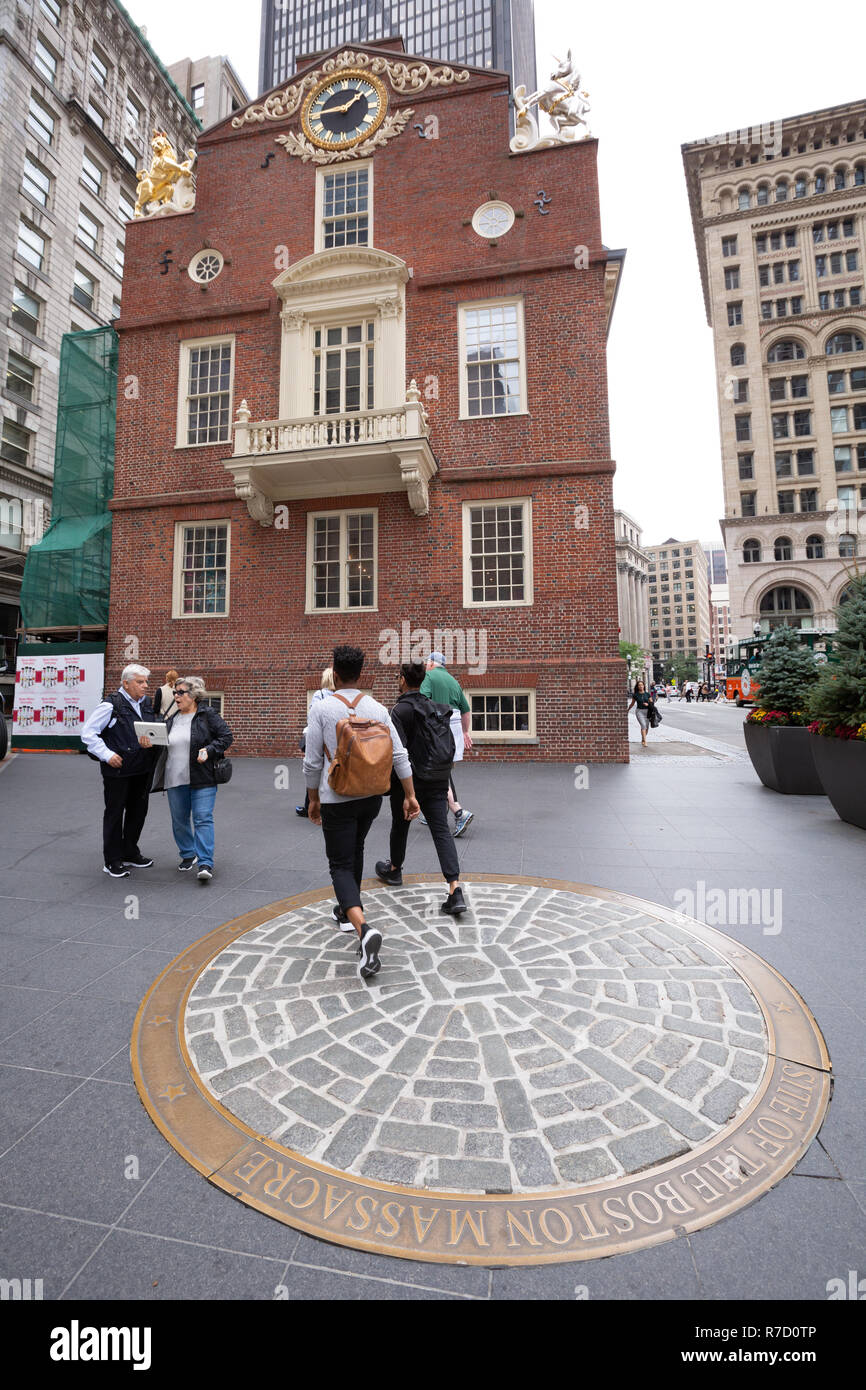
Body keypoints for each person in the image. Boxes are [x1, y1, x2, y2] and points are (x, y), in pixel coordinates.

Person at [304, 645, 420, 979]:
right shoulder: (378, 708)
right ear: (361, 674)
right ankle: (346, 911)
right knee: (355, 850)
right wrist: (409, 795)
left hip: (337, 796)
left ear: (335, 674)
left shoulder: (323, 709)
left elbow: (312, 761)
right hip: (372, 795)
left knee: (339, 864)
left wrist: (313, 798)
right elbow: (399, 755)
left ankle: (363, 928)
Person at [375, 661, 467, 916]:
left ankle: (394, 869)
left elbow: (398, 752)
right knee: (441, 831)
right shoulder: (434, 708)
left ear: (403, 680)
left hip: (410, 780)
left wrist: (408, 792)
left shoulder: (400, 710)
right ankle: (454, 889)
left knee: (400, 824)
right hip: (438, 779)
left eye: (398, 676)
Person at [149, 677, 233, 882]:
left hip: (202, 777)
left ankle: (205, 862)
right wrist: (148, 742)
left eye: (180, 692)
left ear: (193, 695)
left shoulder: (207, 715)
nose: (176, 696)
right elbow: (161, 746)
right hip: (174, 777)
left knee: (202, 818)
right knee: (179, 820)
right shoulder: (172, 719)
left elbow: (226, 737)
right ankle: (188, 854)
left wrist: (209, 750)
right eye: (175, 692)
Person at [81, 662, 157, 877]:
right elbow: (88, 733)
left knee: (137, 813)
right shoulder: (110, 705)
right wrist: (107, 755)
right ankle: (112, 860)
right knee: (115, 814)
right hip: (118, 771)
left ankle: (130, 852)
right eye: (140, 682)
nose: (145, 686)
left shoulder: (146, 703)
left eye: (146, 682)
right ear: (126, 683)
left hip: (141, 769)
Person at [420, 650, 474, 836]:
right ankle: (435, 811)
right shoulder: (454, 681)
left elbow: (422, 700)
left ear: (432, 663)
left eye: (427, 662)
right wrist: (465, 732)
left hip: (439, 729)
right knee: (444, 771)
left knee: (436, 773)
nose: (426, 665)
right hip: (456, 727)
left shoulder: (429, 676)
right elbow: (466, 711)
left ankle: (459, 812)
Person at [296, 667, 335, 817]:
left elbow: (312, 719)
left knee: (314, 771)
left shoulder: (320, 694)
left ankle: (310, 805)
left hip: (320, 741)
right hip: (336, 741)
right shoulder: (341, 696)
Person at [627, 678, 655, 748]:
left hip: (647, 712)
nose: (640, 686)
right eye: (639, 685)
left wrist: (648, 704)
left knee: (647, 727)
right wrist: (628, 710)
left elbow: (652, 703)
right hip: (639, 712)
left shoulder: (647, 694)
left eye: (642, 685)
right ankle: (645, 741)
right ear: (637, 687)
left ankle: (643, 739)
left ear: (644, 686)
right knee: (643, 725)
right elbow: (632, 703)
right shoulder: (635, 695)